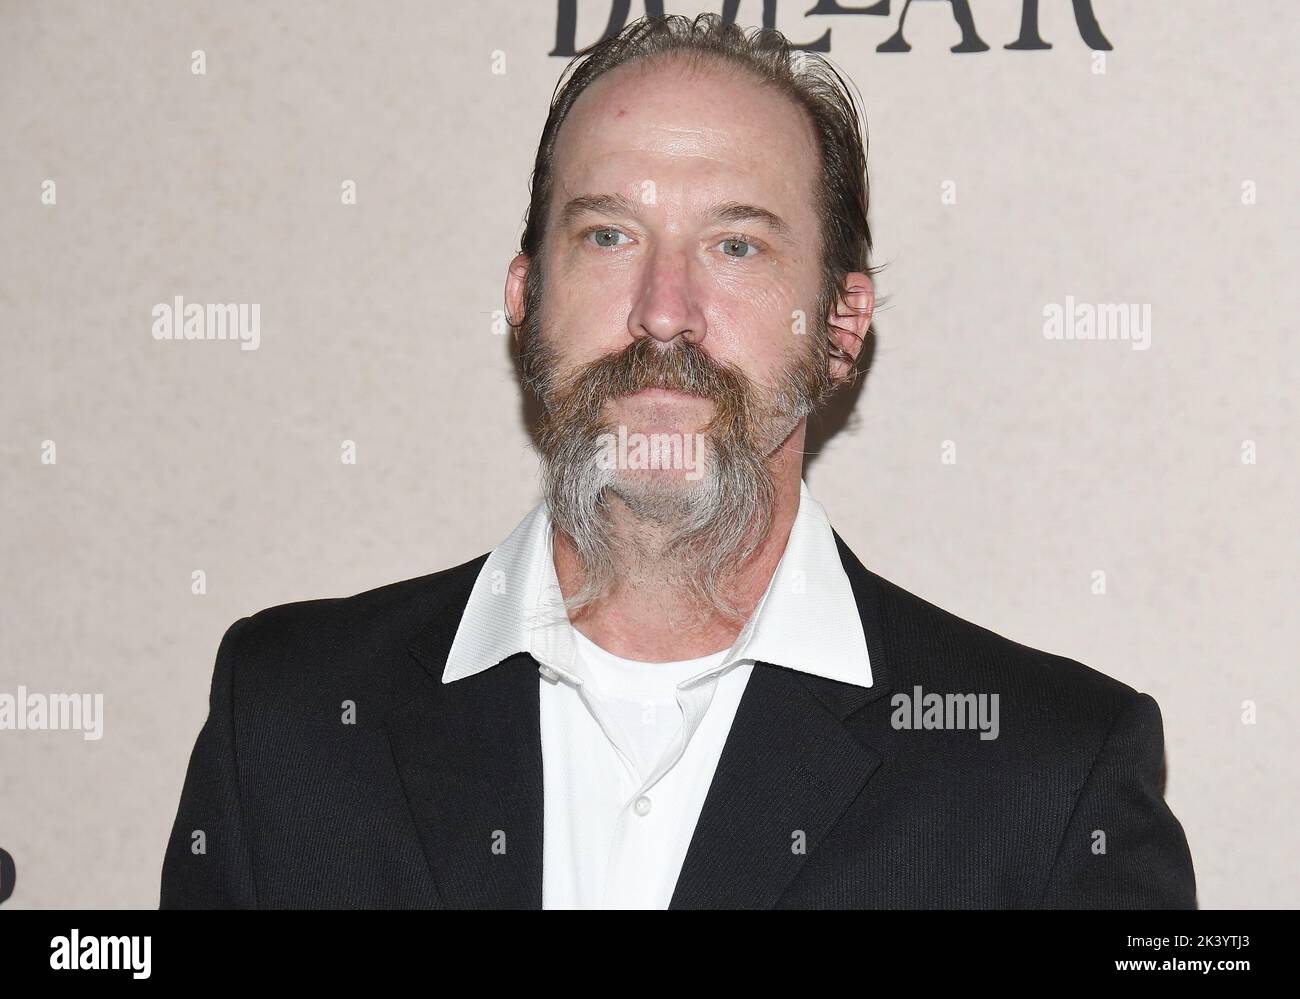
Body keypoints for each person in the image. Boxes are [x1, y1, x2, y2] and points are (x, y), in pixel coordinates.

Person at [160, 13, 1195, 909]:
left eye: (735, 246)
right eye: (608, 237)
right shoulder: (290, 717)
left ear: (841, 324)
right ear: (525, 300)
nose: (663, 312)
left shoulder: (1047, 774)